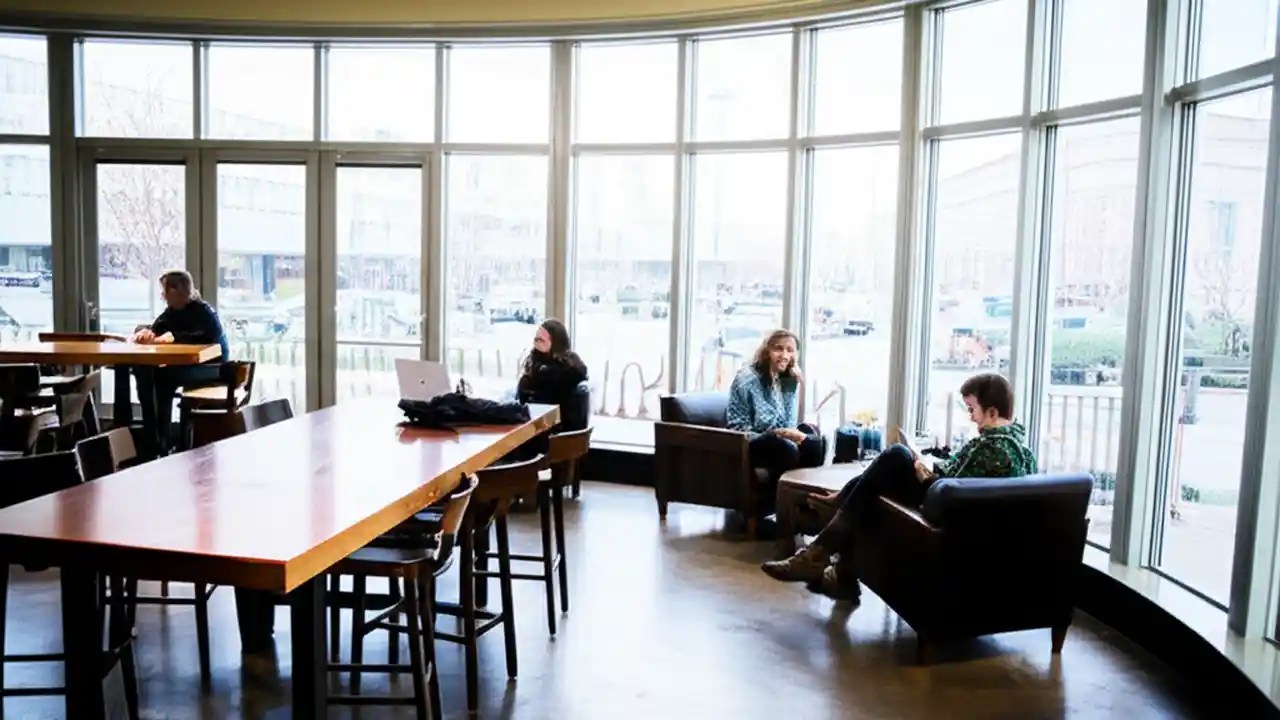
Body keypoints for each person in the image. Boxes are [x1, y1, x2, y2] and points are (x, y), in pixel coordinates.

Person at [761, 372, 1037, 601]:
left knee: (894, 458)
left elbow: (955, 491)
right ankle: (832, 544)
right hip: (964, 516)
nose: (970, 417)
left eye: (972, 409)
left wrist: (925, 475)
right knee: (884, 473)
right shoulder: (1020, 448)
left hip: (948, 518)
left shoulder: (992, 447)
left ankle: (821, 547)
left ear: (991, 411)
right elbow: (965, 479)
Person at [131, 270, 230, 448]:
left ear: (176, 291)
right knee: (148, 374)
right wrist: (145, 333)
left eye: (165, 292)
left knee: (161, 378)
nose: (163, 297)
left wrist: (173, 337)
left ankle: (159, 437)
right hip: (190, 366)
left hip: (213, 367)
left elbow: (208, 336)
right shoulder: (171, 314)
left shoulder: (203, 312)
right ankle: (156, 434)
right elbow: (157, 328)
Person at [727, 329, 824, 485]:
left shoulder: (783, 379)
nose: (785, 356)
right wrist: (781, 434)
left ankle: (798, 499)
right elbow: (743, 427)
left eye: (790, 350)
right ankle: (780, 499)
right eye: (778, 349)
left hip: (776, 439)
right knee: (783, 446)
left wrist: (791, 386)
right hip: (749, 441)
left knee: (815, 443)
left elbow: (788, 423)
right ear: (767, 351)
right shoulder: (747, 379)